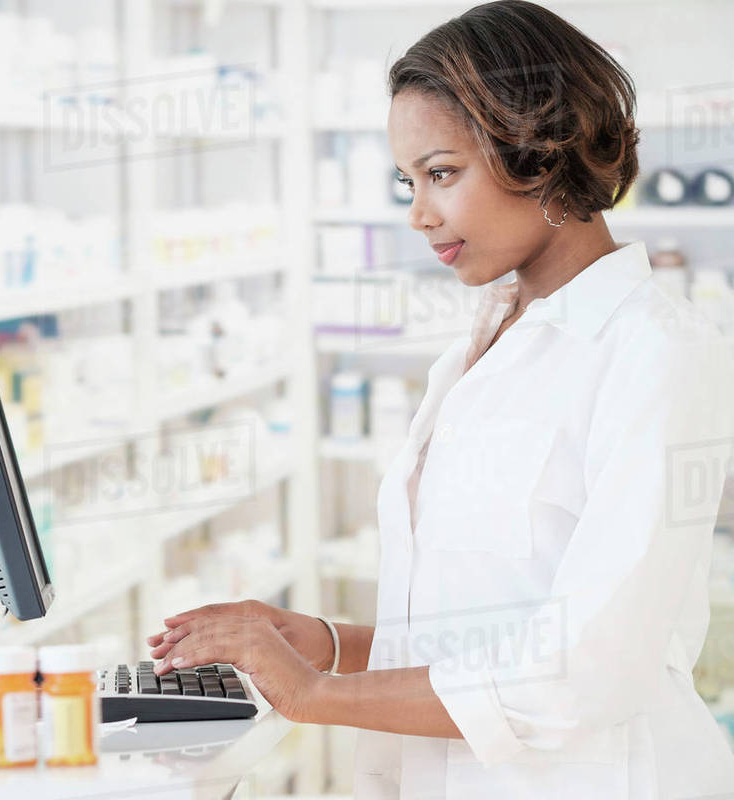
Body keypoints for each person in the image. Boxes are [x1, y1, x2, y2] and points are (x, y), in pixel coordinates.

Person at [146, 1, 734, 797]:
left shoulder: (655, 350)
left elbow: (588, 665)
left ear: (538, 149)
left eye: (442, 173)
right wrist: (325, 644)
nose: (419, 214)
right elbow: (482, 625)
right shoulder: (482, 339)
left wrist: (316, 697)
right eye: (408, 181)